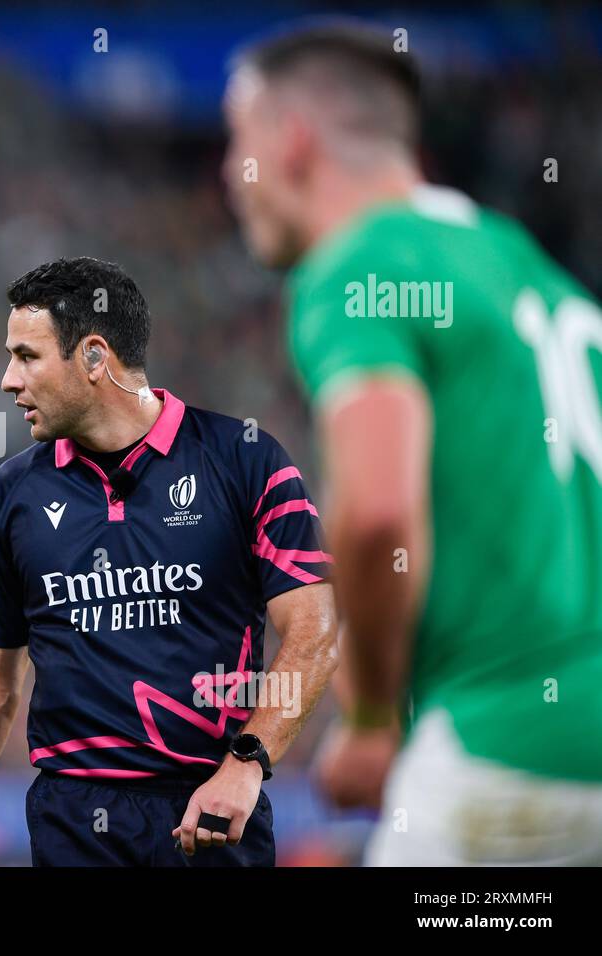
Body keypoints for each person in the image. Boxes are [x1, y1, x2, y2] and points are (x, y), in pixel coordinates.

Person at [224, 20, 602, 864]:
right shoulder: (524, 262)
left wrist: (367, 718)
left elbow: (379, 512)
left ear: (291, 141)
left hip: (511, 747)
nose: (226, 174)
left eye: (235, 141)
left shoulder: (359, 263)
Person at [0, 256, 336, 867]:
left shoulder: (245, 462)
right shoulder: (15, 492)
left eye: (27, 357)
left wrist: (248, 764)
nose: (8, 380)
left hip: (211, 818)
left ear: (93, 357)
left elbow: (314, 632)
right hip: (74, 823)